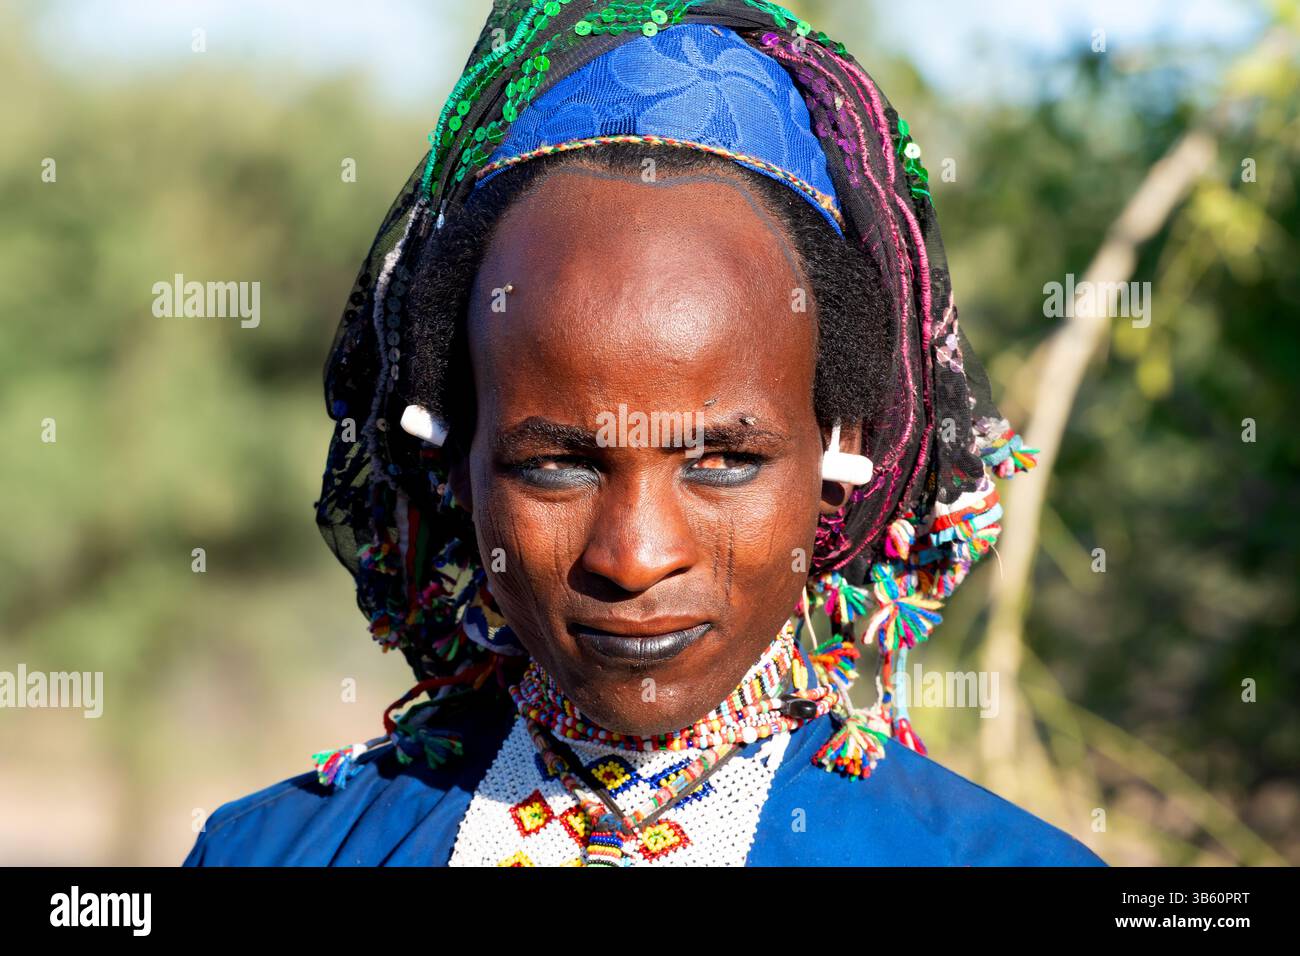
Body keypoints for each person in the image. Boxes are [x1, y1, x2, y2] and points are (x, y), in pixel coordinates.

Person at [185, 0, 1104, 867]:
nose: (635, 557)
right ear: (455, 458)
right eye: (555, 465)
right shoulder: (277, 851)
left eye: (722, 461)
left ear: (839, 449)